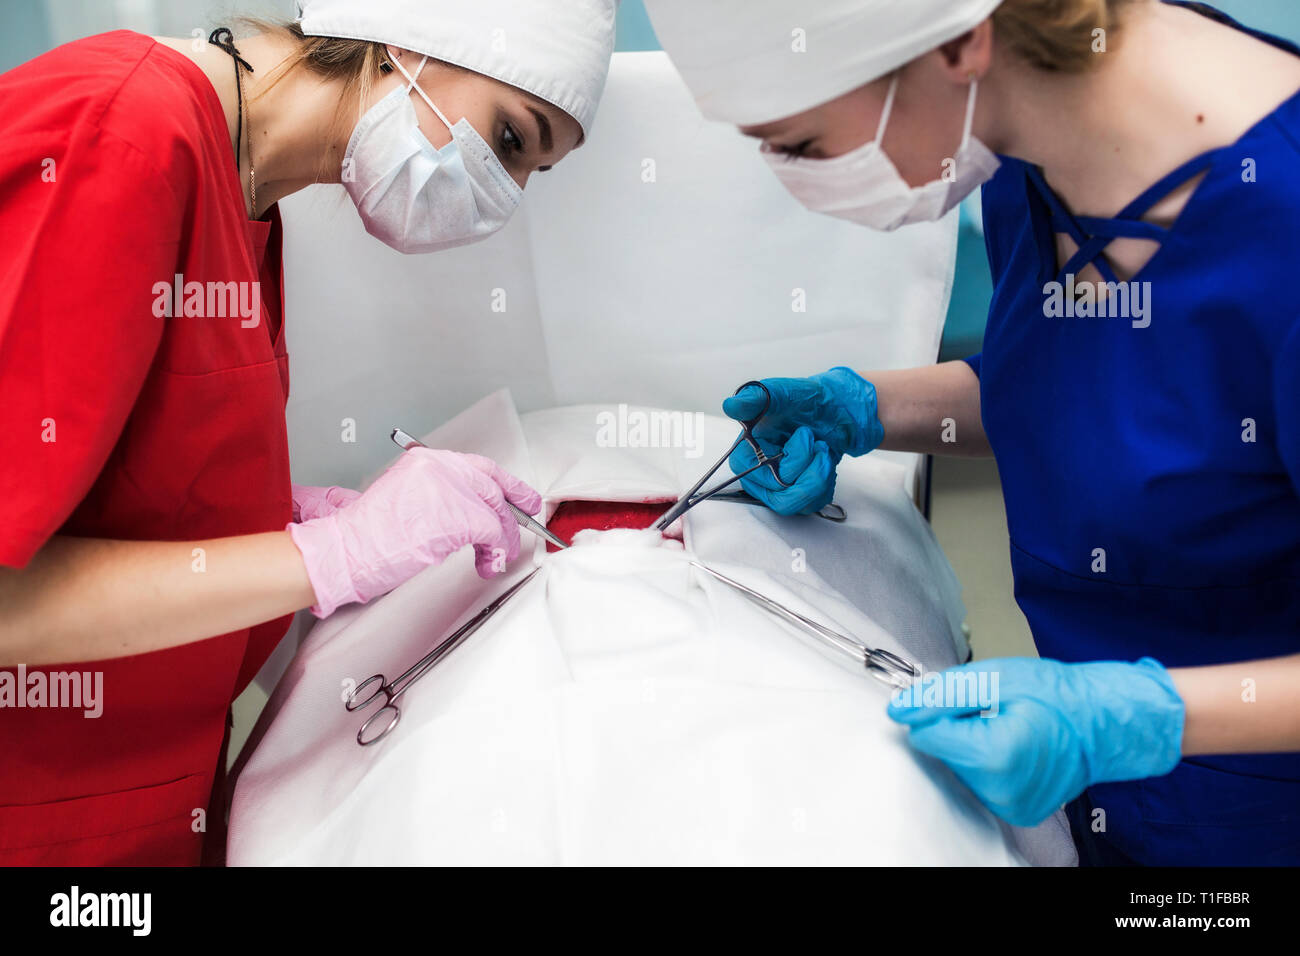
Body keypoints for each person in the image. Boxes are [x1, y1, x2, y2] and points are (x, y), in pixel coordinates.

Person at [644, 0, 1300, 865]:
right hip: (1115, 804)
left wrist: (1136, 720)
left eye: (800, 144)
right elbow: (1112, 396)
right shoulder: (1019, 134)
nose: (791, 175)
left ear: (956, 40)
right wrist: (866, 406)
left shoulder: (1278, 222)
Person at [0, 0, 615, 865]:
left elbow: (104, 477)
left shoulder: (246, 192)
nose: (502, 197)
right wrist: (330, 557)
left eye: (532, 172)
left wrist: (275, 517)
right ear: (412, 41)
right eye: (511, 141)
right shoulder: (121, 137)